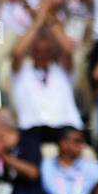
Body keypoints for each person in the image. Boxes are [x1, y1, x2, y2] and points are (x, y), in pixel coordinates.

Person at [9, 9, 82, 145]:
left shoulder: (62, 71)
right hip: (32, 127)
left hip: (63, 125)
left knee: (73, 140)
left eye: (46, 51)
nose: (42, 54)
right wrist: (37, 22)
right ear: (31, 52)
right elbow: (17, 53)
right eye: (38, 51)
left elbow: (68, 49)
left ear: (52, 51)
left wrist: (49, 20)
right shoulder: (21, 72)